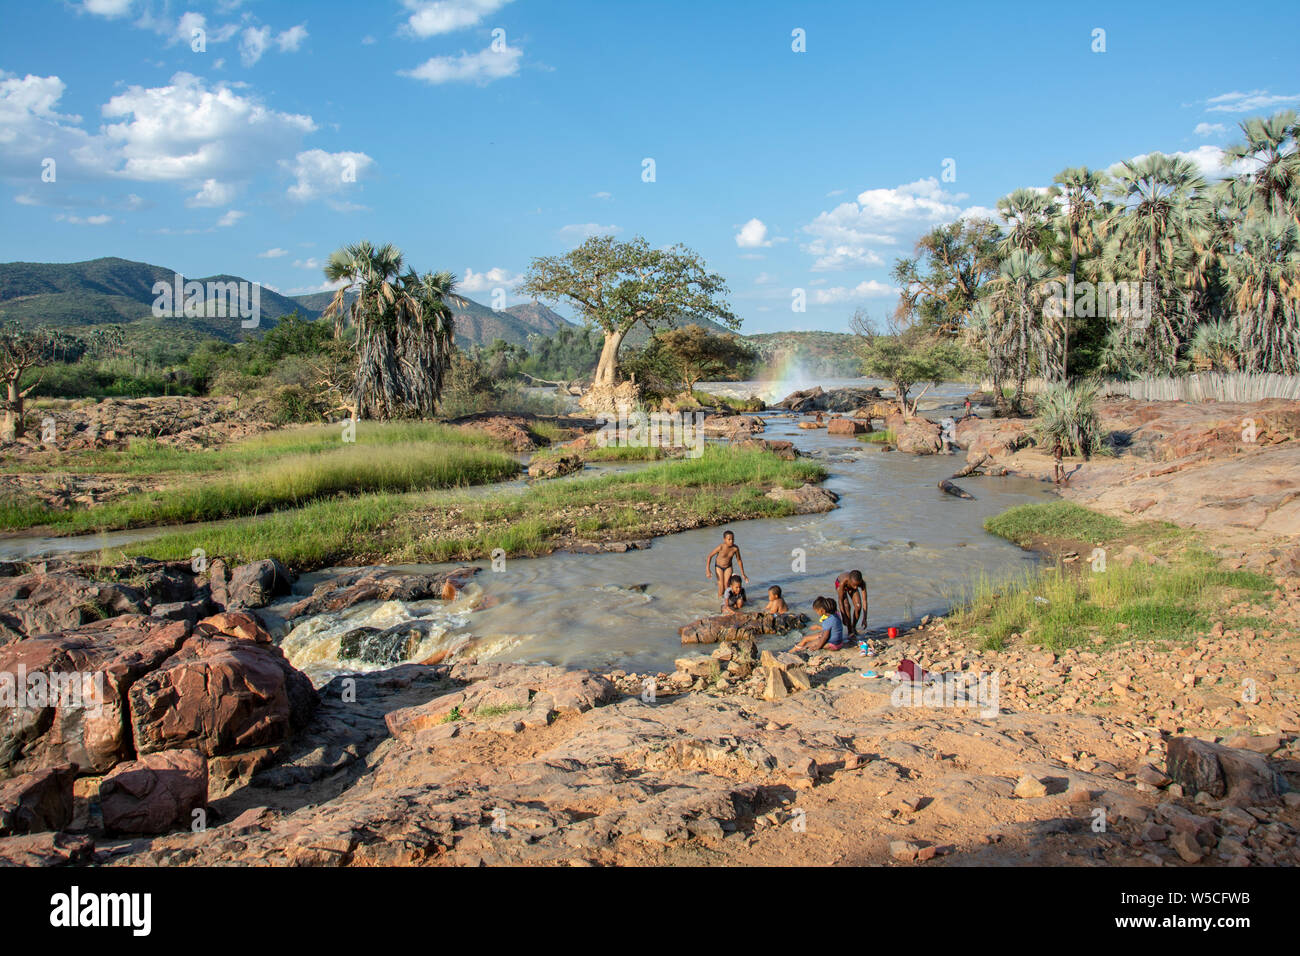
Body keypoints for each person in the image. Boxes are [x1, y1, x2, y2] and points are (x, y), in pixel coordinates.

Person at [705, 530, 748, 597]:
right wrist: (708, 569)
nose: (731, 541)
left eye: (733, 539)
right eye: (729, 539)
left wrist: (743, 573)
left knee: (727, 585)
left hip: (728, 567)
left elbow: (739, 560)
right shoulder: (721, 547)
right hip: (719, 567)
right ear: (724, 539)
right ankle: (719, 601)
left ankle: (728, 601)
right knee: (721, 587)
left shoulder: (735, 548)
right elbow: (709, 556)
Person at [835, 570, 868, 639]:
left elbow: (864, 600)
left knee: (858, 606)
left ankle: (853, 627)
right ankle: (849, 631)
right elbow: (840, 601)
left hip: (850, 584)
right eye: (854, 585)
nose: (856, 587)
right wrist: (843, 615)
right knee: (847, 606)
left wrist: (865, 618)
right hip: (840, 583)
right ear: (850, 581)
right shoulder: (843, 582)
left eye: (857, 585)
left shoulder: (861, 583)